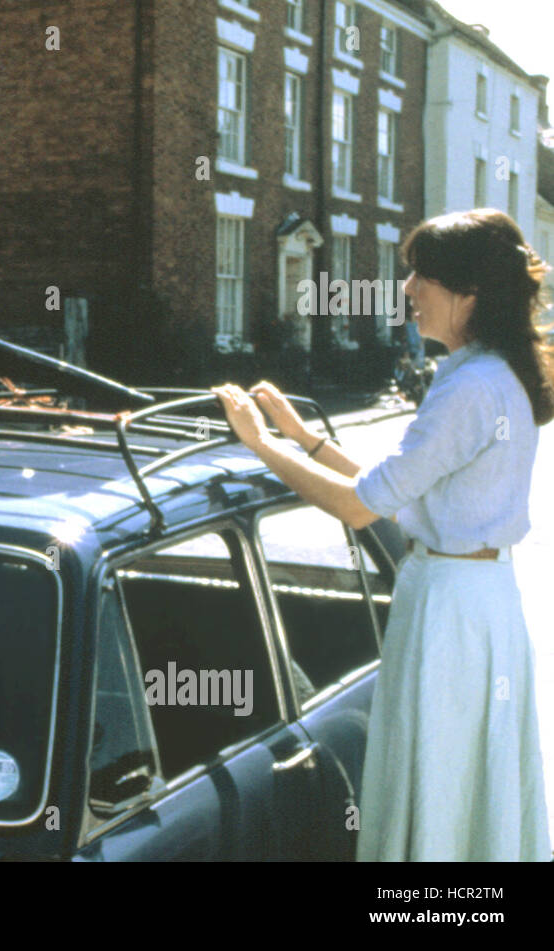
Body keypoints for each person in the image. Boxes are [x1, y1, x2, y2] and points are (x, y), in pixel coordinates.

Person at [214, 209, 553, 861]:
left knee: (439, 779)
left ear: (468, 293)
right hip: (470, 597)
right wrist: (301, 435)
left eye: (421, 276)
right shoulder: (480, 372)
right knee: (458, 784)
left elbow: (359, 506)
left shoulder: (473, 387)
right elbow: (396, 482)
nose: (407, 291)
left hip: (452, 609)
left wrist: (261, 445)